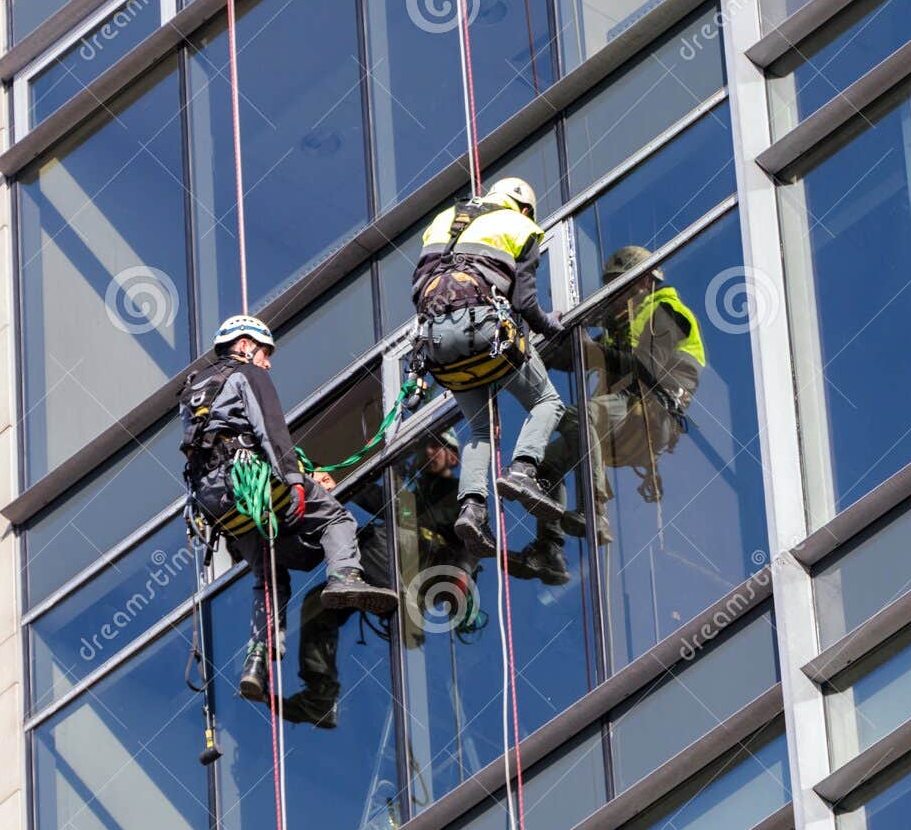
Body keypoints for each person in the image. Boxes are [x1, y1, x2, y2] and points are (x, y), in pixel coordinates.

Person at [180, 314, 399, 725]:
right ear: (245, 346)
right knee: (336, 519)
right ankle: (345, 579)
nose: (269, 363)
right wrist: (295, 481)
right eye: (265, 352)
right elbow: (272, 430)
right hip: (252, 483)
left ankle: (256, 661)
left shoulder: (193, 391)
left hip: (217, 504)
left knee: (270, 574)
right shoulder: (247, 374)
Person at [514, 245, 704, 583]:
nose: (613, 296)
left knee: (581, 415)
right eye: (611, 287)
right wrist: (525, 346)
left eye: (620, 285)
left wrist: (594, 350)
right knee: (546, 465)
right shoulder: (622, 327)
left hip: (652, 411)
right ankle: (550, 551)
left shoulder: (666, 312)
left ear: (644, 282)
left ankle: (594, 512)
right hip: (624, 415)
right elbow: (574, 358)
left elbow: (648, 369)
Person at [410, 176, 574, 557]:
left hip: (436, 344)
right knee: (547, 402)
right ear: (526, 208)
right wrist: (550, 325)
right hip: (484, 331)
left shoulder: (442, 220)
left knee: (480, 429)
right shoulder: (521, 226)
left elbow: (420, 286)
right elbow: (525, 301)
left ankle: (472, 509)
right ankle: (522, 471)